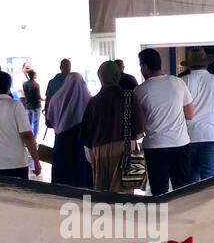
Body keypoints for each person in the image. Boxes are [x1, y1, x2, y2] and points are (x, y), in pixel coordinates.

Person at [135, 47, 193, 195]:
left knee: (159, 191)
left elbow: (138, 123)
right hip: (180, 143)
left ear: (145, 67)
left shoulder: (140, 90)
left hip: (155, 147)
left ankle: (162, 217)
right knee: (183, 191)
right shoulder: (178, 82)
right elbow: (189, 114)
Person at [83, 60, 146, 191]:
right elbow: (140, 127)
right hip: (126, 149)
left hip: (100, 151)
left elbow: (86, 134)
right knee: (125, 196)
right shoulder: (129, 97)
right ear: (118, 76)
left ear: (100, 77)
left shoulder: (93, 102)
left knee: (103, 197)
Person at [0, 71, 42, 179]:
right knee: (18, 194)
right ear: (9, 86)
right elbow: (27, 136)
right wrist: (36, 161)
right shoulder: (16, 106)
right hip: (16, 163)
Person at [182, 47, 214, 183]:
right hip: (213, 135)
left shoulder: (182, 82)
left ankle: (192, 203)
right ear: (206, 63)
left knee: (190, 179)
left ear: (189, 64)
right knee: (209, 179)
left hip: (189, 135)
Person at [45, 58, 93, 187]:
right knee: (81, 171)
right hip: (81, 142)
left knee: (62, 172)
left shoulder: (56, 99)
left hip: (62, 140)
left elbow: (49, 118)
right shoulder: (89, 100)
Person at [21, 66, 43, 137]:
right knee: (36, 123)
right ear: (33, 75)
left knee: (29, 123)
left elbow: (25, 94)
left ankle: (29, 138)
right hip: (36, 106)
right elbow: (38, 96)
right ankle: (34, 138)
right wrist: (44, 99)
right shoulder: (36, 84)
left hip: (28, 106)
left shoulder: (24, 84)